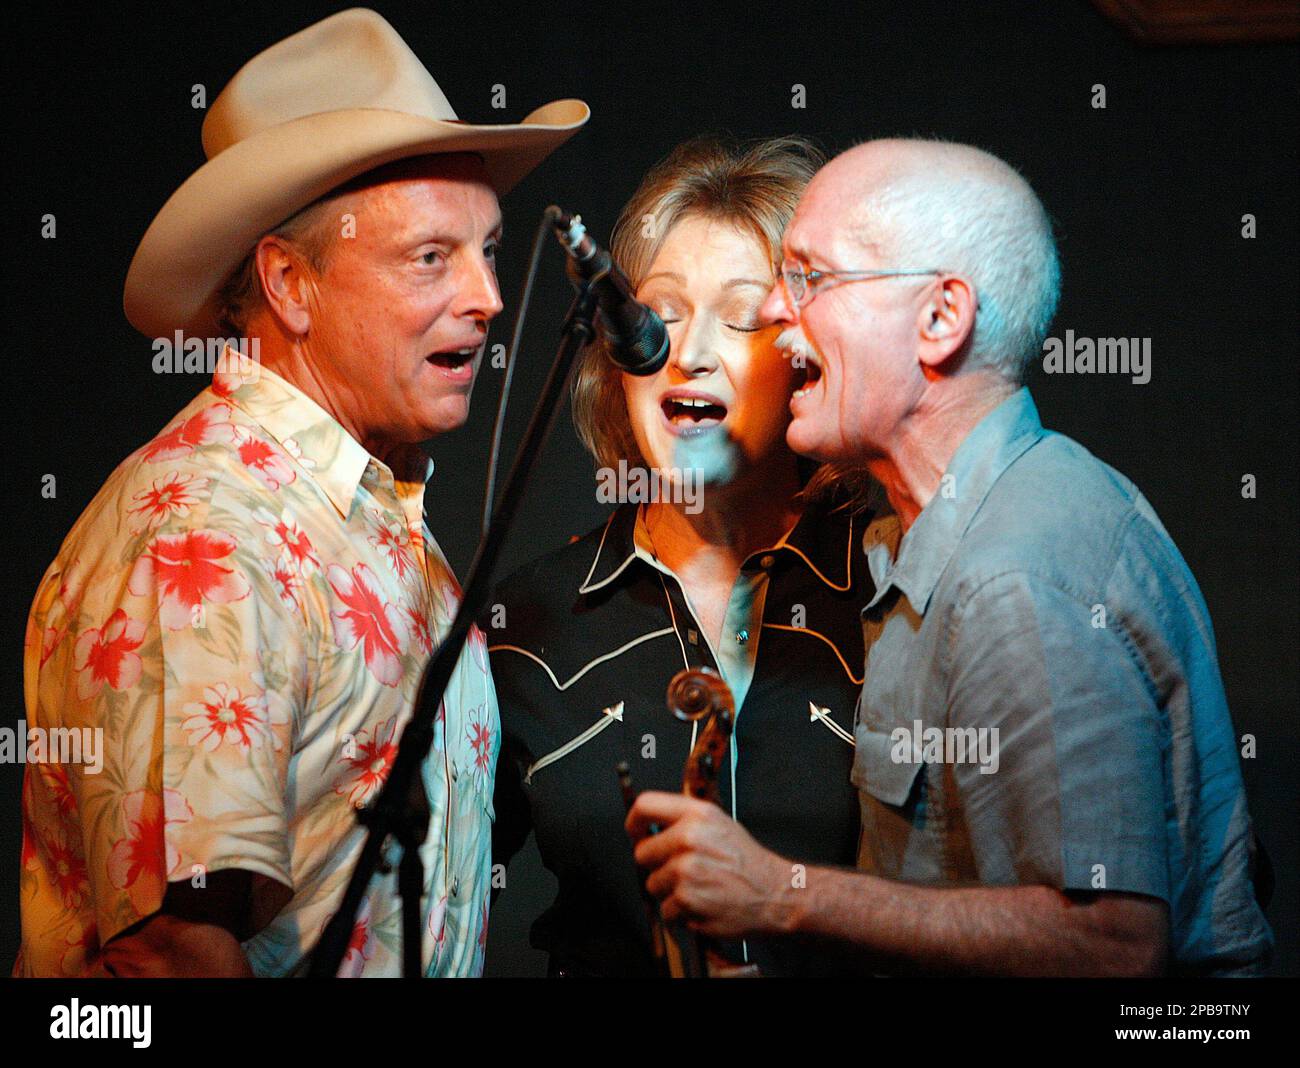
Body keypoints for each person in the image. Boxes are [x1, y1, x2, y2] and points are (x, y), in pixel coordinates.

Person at [15, 9, 588, 977]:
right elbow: (172, 952)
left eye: (487, 249)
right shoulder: (206, 528)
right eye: (431, 257)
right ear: (288, 283)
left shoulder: (373, 518)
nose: (488, 297)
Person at [626, 138, 1273, 977]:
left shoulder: (1016, 574)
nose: (780, 311)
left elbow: (1109, 944)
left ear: (940, 320)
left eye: (813, 278)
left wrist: (781, 892)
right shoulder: (928, 534)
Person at [487, 136, 879, 977]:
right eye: (657, 313)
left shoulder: (899, 596)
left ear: (808, 357)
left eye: (741, 317)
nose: (685, 351)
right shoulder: (520, 625)